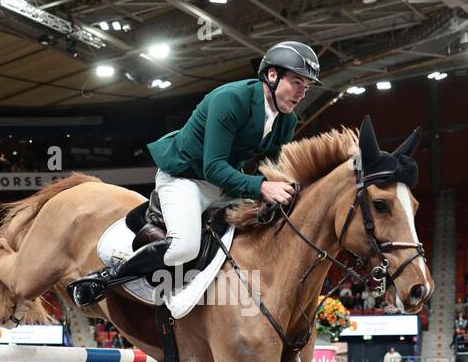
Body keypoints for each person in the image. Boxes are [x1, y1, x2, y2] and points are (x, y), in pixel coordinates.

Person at [68, 41, 320, 307]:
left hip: (225, 186)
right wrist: (261, 187)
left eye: (307, 86)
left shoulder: (287, 120)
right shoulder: (231, 99)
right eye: (297, 82)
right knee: (184, 247)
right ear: (272, 75)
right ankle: (106, 277)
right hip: (185, 178)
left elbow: (270, 168)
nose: (302, 92)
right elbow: (213, 166)